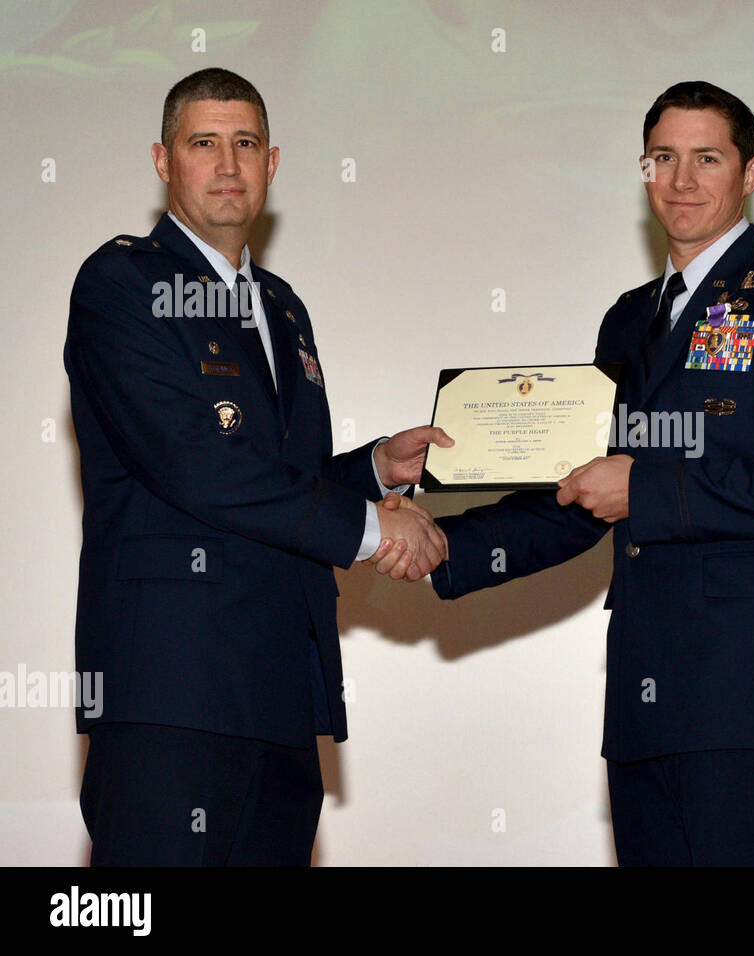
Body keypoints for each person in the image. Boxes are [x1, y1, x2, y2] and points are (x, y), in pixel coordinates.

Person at [394, 81, 754, 865]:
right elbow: (583, 494)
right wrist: (448, 545)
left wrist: (641, 489)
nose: (682, 181)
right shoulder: (628, 317)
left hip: (749, 697)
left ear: (749, 174)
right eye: (663, 158)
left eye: (706, 158)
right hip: (647, 694)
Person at [64, 67, 450, 866]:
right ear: (163, 161)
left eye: (245, 144)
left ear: (272, 163)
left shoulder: (280, 305)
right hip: (169, 695)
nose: (228, 164)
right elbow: (197, 468)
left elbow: (281, 479)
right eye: (203, 143)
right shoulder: (122, 282)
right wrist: (372, 528)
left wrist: (374, 469)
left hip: (279, 692)